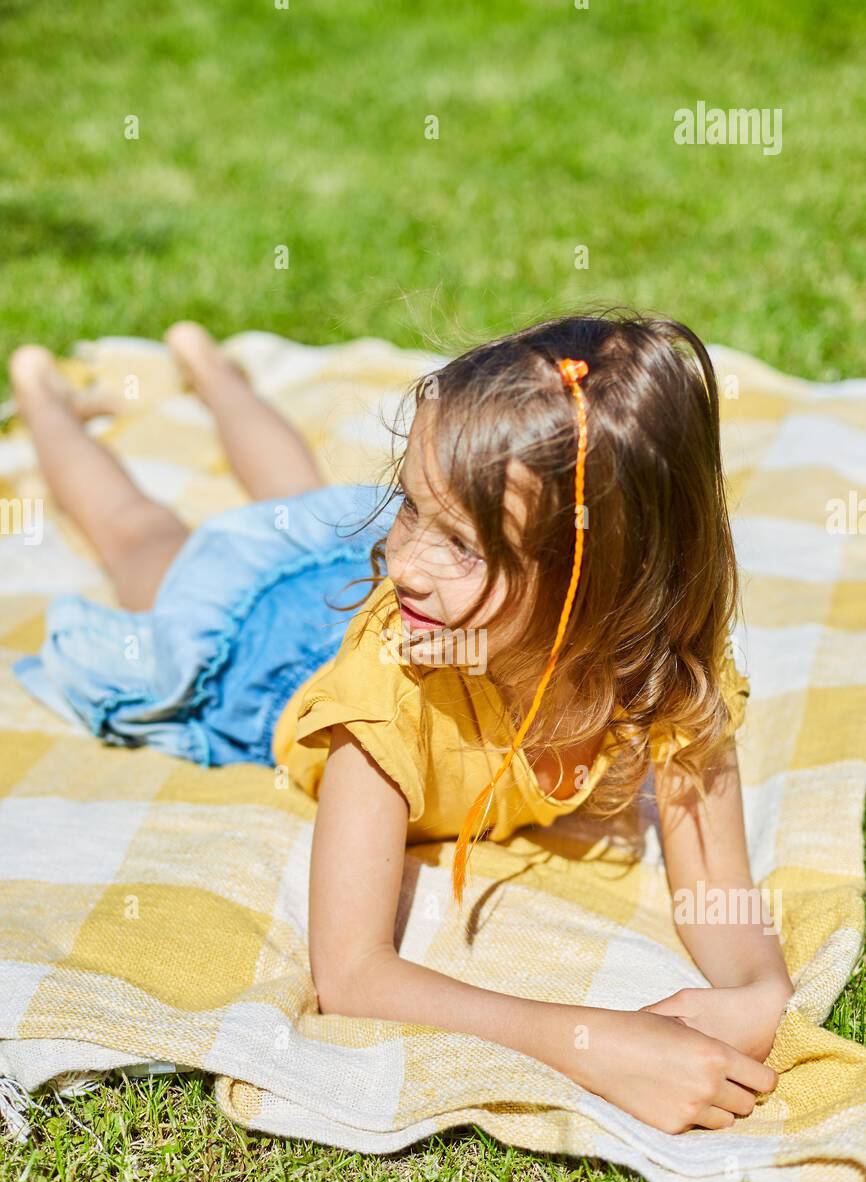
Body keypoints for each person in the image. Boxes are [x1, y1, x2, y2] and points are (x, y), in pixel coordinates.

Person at [9, 310, 793, 1134]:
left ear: (607, 579)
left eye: (461, 541)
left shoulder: (659, 669)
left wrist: (760, 991)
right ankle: (50, 397)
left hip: (375, 599)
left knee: (297, 497)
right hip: (258, 638)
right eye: (409, 504)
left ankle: (207, 367)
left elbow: (716, 885)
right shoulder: (394, 683)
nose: (403, 557)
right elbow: (351, 975)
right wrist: (590, 1042)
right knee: (146, 534)